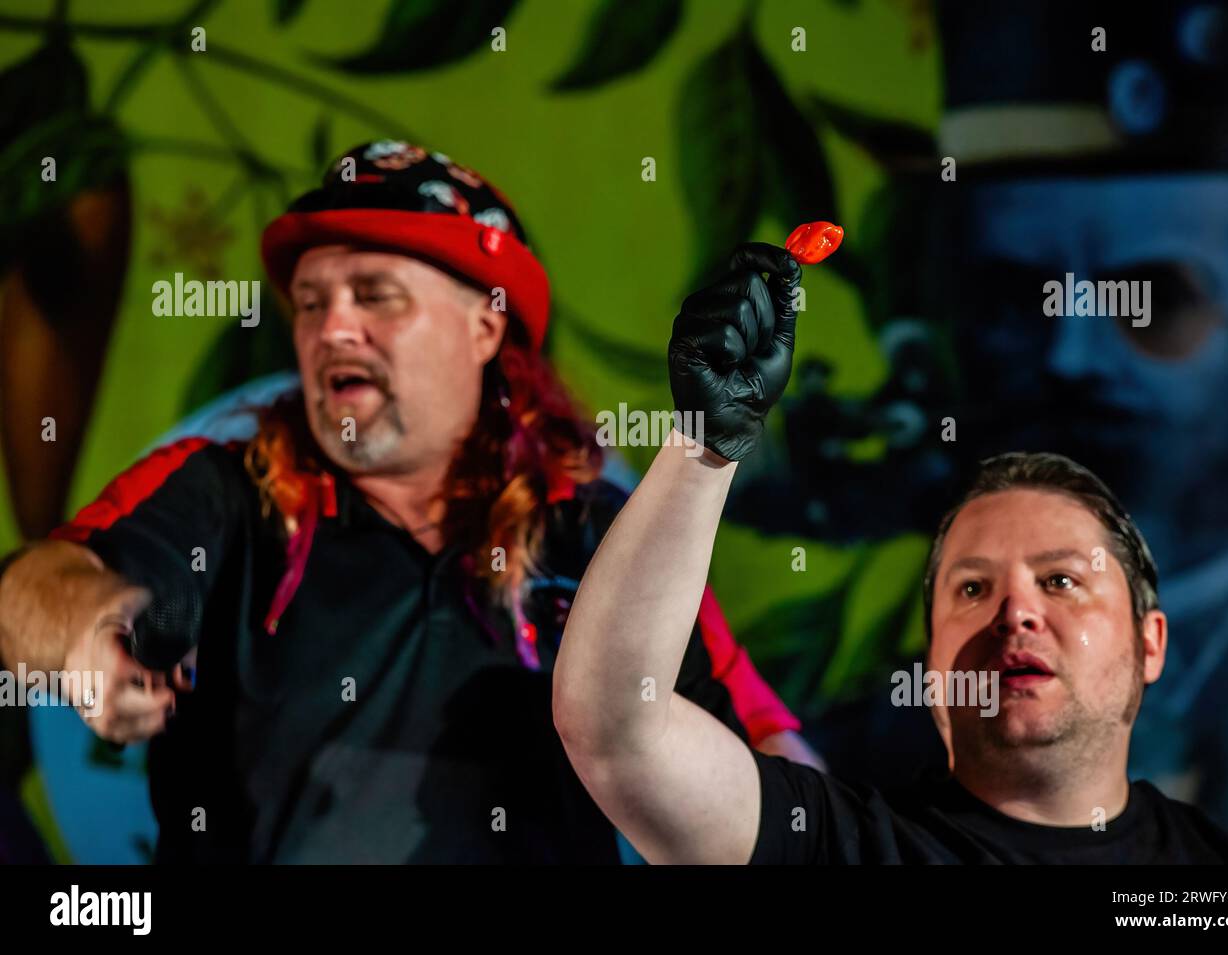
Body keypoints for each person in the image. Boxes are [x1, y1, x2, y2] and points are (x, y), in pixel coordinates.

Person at [0, 142, 816, 863]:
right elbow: (29, 592)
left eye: (375, 294)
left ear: (484, 329)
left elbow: (769, 758)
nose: (332, 328)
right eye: (312, 302)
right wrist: (83, 637)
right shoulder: (222, 489)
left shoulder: (599, 530)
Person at [551, 241, 1228, 864]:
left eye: (1062, 580)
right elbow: (618, 731)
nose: (1017, 615)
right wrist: (709, 442)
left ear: (1149, 642)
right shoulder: (850, 848)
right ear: (932, 659)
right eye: (971, 589)